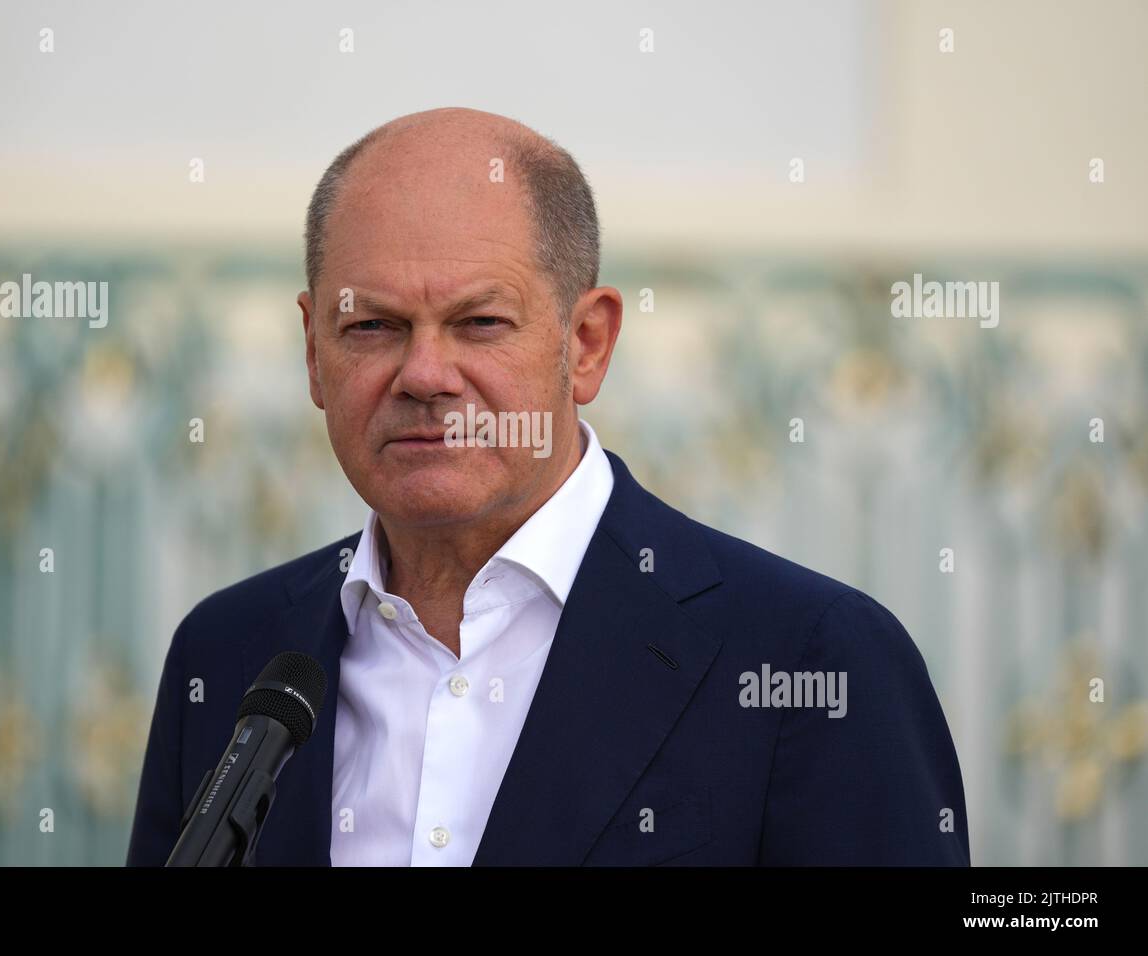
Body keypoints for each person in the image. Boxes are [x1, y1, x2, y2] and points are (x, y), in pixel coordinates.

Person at [127, 107, 970, 866]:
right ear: (315, 352)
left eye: (480, 323)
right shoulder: (229, 653)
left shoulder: (809, 659)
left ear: (589, 343)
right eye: (373, 326)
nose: (424, 373)